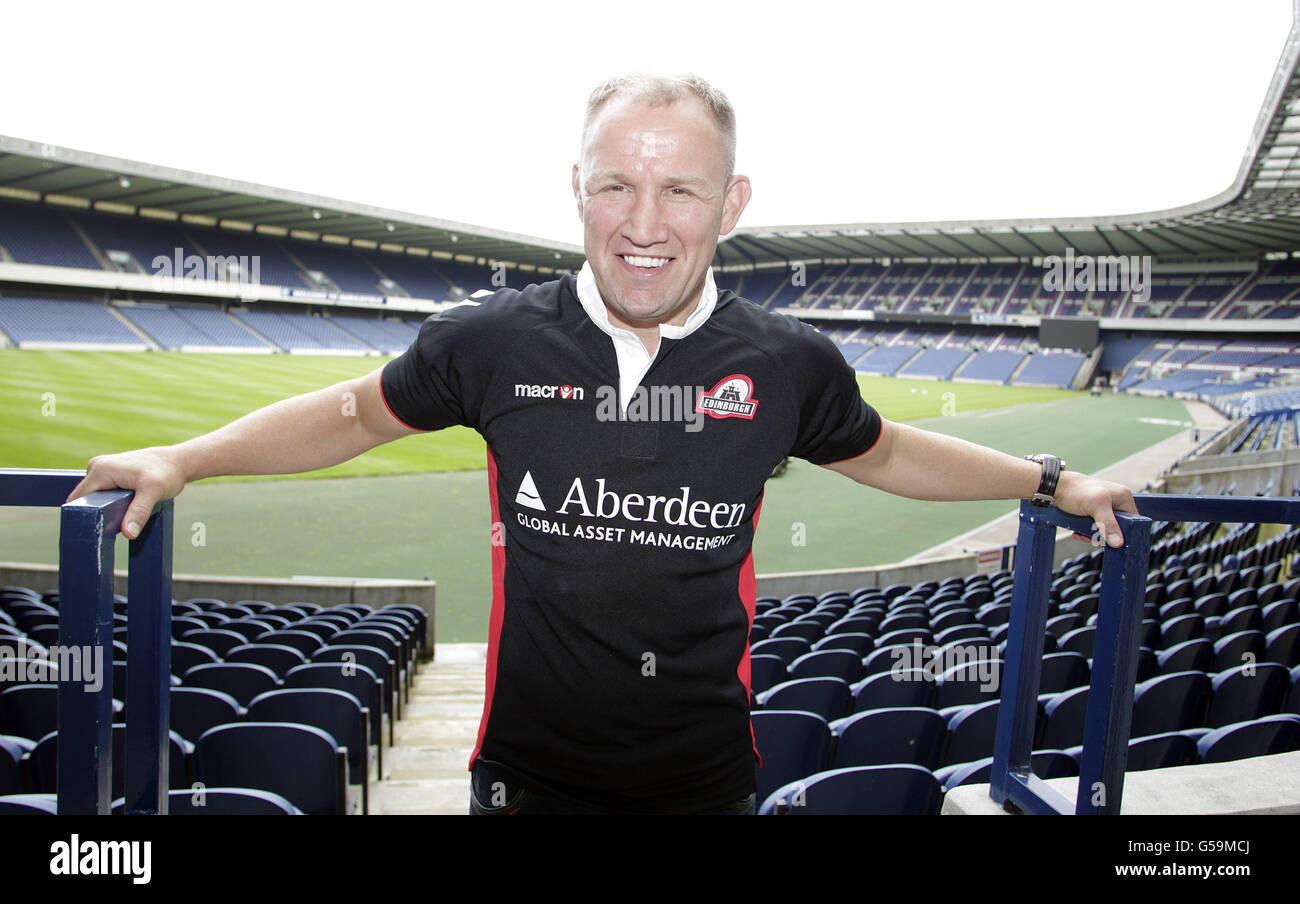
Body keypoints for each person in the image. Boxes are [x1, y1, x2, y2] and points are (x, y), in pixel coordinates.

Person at [69, 73, 1137, 815]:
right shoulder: (490, 340)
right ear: (573, 188)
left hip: (706, 778)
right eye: (615, 183)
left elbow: (891, 452)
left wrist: (1049, 480)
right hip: (528, 780)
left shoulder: (786, 362)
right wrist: (185, 458)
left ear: (733, 203)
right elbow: (352, 414)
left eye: (680, 188)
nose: (644, 220)